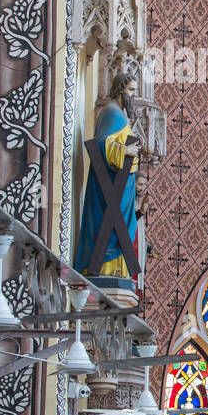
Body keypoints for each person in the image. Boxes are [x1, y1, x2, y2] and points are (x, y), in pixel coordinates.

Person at [77, 72, 141, 277]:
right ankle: (105, 269)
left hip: (121, 185)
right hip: (110, 184)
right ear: (120, 88)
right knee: (112, 224)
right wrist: (125, 152)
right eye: (131, 90)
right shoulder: (111, 112)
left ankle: (116, 270)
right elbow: (102, 144)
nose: (133, 95)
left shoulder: (120, 114)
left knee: (121, 224)